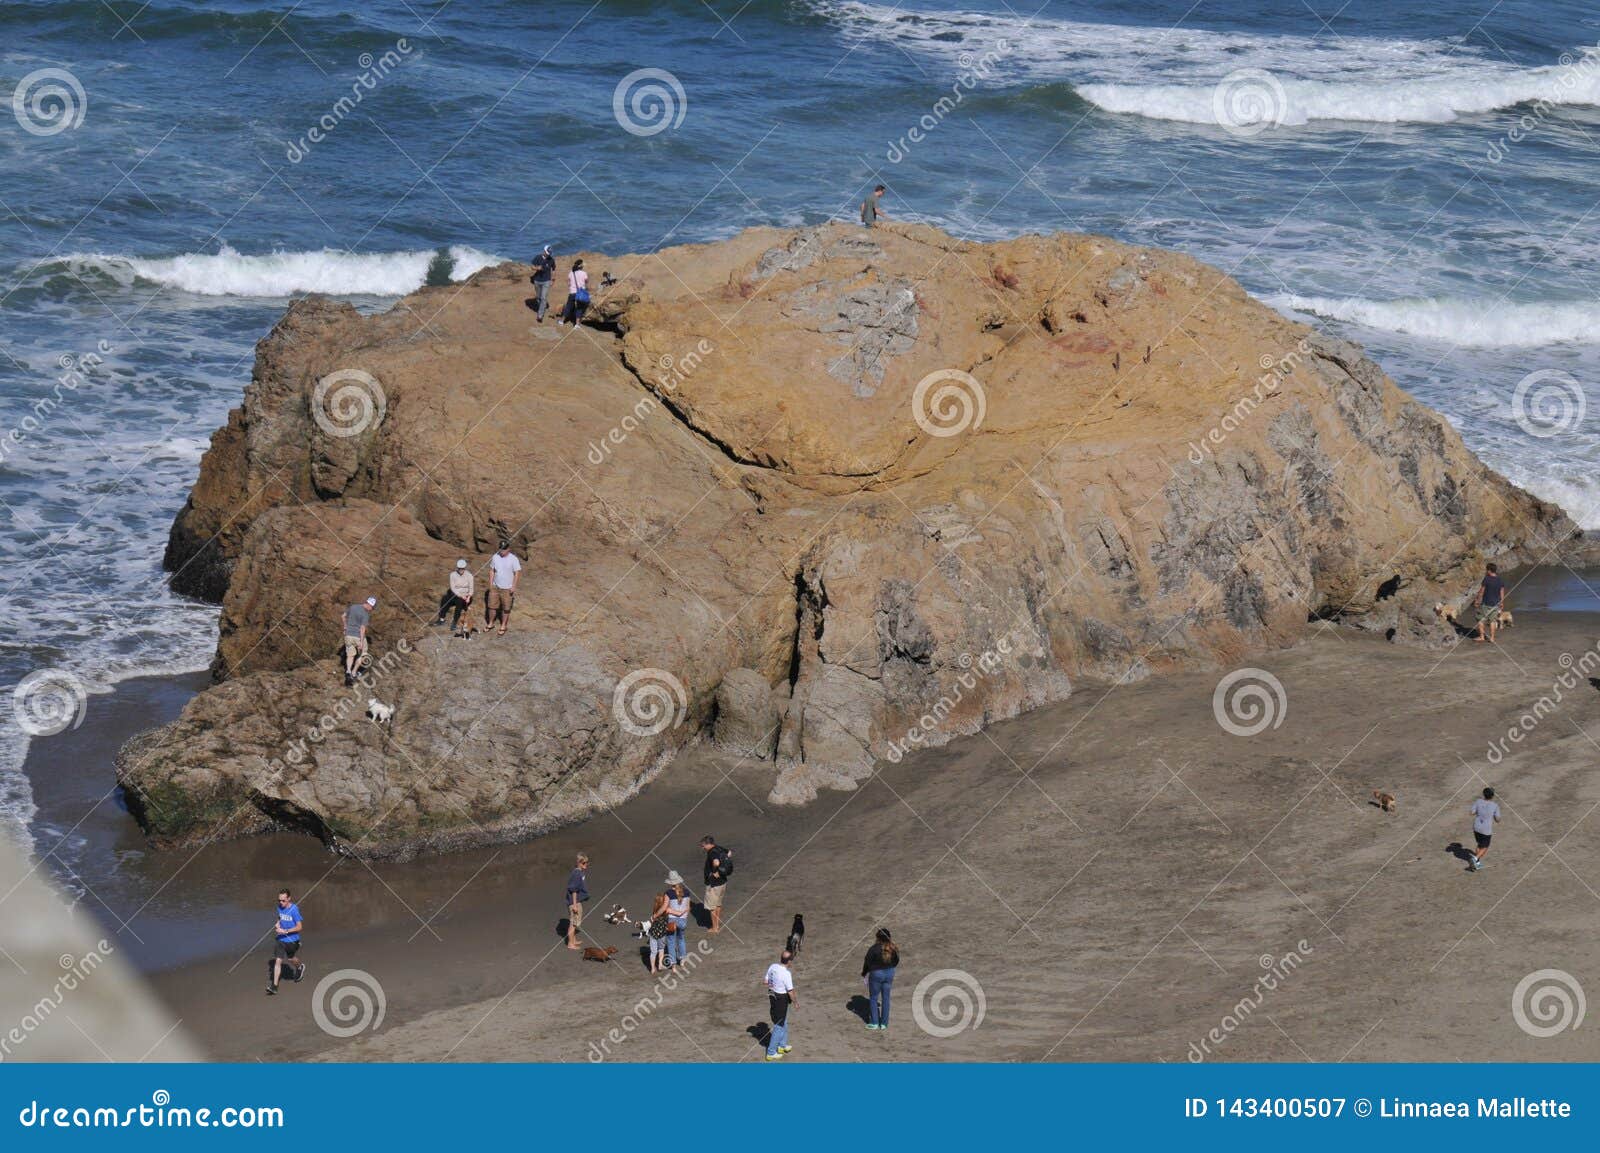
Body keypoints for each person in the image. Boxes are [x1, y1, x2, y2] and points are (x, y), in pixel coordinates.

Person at [266, 888, 305, 995]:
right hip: (281, 939)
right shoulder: (279, 907)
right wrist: (278, 923)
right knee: (278, 961)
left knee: (291, 958)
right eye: (279, 900)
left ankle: (300, 967)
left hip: (292, 941)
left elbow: (299, 927)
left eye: (283, 900)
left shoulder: (294, 909)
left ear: (289, 899)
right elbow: (280, 917)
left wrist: (285, 931)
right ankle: (274, 987)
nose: (281, 903)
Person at [861, 927, 900, 1031]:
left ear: (878, 938)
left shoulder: (874, 948)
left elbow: (867, 961)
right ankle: (884, 1024)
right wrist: (889, 968)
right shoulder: (893, 948)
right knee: (886, 998)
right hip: (889, 973)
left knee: (873, 998)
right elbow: (896, 961)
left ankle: (874, 1023)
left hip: (876, 974)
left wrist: (864, 973)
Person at [764, 948, 795, 1060]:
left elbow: (766, 981)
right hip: (781, 999)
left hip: (773, 996)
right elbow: (790, 991)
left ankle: (782, 1045)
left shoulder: (772, 966)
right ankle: (771, 1052)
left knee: (783, 1021)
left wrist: (774, 984)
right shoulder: (786, 973)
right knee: (778, 1026)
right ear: (789, 961)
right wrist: (796, 1002)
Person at [700, 834, 732, 934]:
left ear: (708, 844)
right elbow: (729, 853)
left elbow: (716, 862)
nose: (702, 847)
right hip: (723, 882)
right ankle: (717, 924)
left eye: (703, 845)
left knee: (712, 907)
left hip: (714, 885)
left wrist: (715, 871)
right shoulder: (718, 848)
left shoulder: (711, 853)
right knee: (718, 905)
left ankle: (715, 927)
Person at [341, 596, 377, 686]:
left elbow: (343, 616)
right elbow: (362, 628)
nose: (371, 609)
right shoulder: (365, 614)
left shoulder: (353, 607)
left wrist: (345, 627)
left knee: (350, 655)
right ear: (369, 605)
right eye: (372, 608)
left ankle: (348, 671)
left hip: (348, 635)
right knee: (362, 654)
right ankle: (353, 673)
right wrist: (361, 641)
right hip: (357, 636)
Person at [488, 540, 521, 636]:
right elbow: (492, 570)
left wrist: (514, 586)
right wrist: (491, 583)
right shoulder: (495, 557)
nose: (502, 551)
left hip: (507, 587)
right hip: (495, 586)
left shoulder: (513, 559)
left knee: (506, 608)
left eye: (504, 549)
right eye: (501, 549)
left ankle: (503, 625)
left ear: (508, 549)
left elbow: (517, 573)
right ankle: (490, 623)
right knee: (491, 606)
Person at [435, 558, 474, 633]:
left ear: (465, 568)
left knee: (459, 602)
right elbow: (453, 588)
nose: (461, 570)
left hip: (466, 596)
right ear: (457, 568)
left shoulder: (469, 576)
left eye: (462, 568)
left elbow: (471, 589)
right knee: (445, 598)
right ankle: (441, 619)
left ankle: (455, 622)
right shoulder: (452, 575)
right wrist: (459, 595)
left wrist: (468, 597)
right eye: (459, 568)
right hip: (455, 594)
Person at [1473, 562, 1506, 644]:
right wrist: (1502, 602)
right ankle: (1492, 638)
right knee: (1492, 621)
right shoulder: (1500, 580)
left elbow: (1481, 592)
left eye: (1487, 570)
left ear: (1489, 570)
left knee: (1480, 619)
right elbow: (1502, 592)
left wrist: (1477, 600)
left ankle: (1482, 637)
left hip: (1486, 603)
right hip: (1496, 604)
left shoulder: (1487, 579)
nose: (1486, 571)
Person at [1470, 787, 1501, 871]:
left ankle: (1477, 864)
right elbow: (1498, 820)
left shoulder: (1478, 801)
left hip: (1476, 827)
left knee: (1479, 845)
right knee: (1485, 847)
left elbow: (1472, 812)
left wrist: (1480, 811)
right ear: (1492, 796)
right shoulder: (1495, 805)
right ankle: (1475, 859)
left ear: (1484, 794)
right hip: (1486, 830)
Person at [664, 871, 690, 968]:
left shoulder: (668, 893)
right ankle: (682, 960)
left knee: (670, 942)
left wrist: (656, 915)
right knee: (681, 939)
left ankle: (673, 964)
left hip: (672, 921)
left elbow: (665, 908)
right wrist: (683, 916)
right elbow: (688, 907)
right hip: (683, 920)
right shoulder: (686, 892)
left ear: (670, 883)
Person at [566, 852, 590, 949]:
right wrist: (575, 905)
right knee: (573, 923)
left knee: (575, 923)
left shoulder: (579, 872)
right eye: (584, 863)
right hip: (574, 902)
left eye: (587, 862)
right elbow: (574, 890)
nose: (586, 864)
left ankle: (574, 940)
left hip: (577, 901)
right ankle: (570, 944)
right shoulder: (576, 874)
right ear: (579, 863)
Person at [646, 890, 671, 974]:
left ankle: (653, 968)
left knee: (653, 952)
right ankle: (660, 964)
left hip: (653, 934)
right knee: (661, 949)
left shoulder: (654, 912)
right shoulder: (665, 911)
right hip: (662, 934)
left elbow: (651, 923)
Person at [560, 258, 590, 326]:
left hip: (572, 292)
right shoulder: (584, 273)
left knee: (568, 307)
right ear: (581, 266)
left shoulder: (571, 273)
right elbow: (586, 281)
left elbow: (568, 283)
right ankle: (577, 324)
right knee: (579, 308)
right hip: (580, 293)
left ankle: (562, 321)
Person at [530, 244, 556, 322]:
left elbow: (554, 269)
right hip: (537, 281)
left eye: (550, 253)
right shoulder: (537, 257)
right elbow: (531, 267)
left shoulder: (551, 259)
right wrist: (537, 268)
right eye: (547, 253)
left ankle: (540, 315)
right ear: (544, 251)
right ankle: (541, 305)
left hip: (546, 281)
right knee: (538, 297)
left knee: (544, 298)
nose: (548, 255)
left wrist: (553, 279)